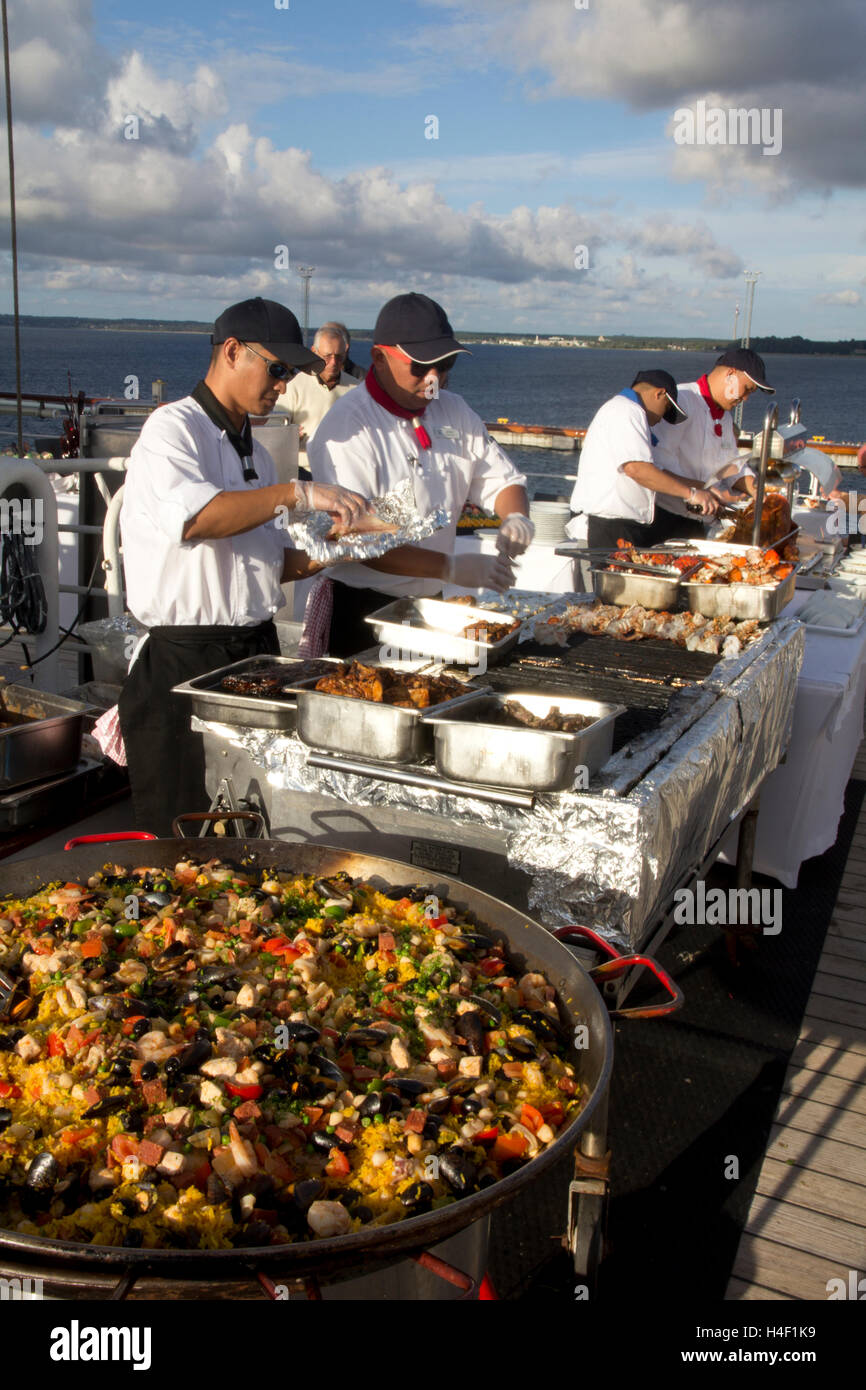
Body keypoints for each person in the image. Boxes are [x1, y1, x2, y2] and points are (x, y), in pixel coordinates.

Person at [119, 297, 369, 835]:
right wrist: (300, 492)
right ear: (232, 351)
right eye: (277, 369)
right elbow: (199, 520)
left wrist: (344, 546)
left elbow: (260, 561)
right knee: (181, 846)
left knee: (257, 830)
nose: (284, 386)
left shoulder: (248, 445)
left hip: (253, 660)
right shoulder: (172, 430)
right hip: (185, 665)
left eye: (291, 373)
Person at [307, 292, 532, 656]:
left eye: (444, 366)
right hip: (363, 609)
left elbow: (502, 479)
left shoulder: (454, 410)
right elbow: (360, 539)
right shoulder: (348, 427)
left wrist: (516, 516)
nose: (433, 379)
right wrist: (450, 565)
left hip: (432, 604)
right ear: (378, 357)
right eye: (420, 366)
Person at [569, 369, 719, 551]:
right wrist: (691, 495)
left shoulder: (629, 412)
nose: (662, 419)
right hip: (609, 524)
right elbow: (637, 469)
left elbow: (656, 471)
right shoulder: (626, 411)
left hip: (624, 524)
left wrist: (703, 489)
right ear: (659, 393)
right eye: (666, 409)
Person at [652, 348, 774, 534]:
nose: (746, 398)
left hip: (699, 519)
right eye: (747, 389)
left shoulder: (724, 417)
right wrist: (703, 490)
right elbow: (657, 466)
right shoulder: (682, 401)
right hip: (664, 517)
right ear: (730, 374)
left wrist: (759, 492)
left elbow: (732, 466)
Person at [272, 324, 358, 445]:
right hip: (303, 463)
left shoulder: (357, 389)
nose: (333, 362)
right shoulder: (293, 388)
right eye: (327, 356)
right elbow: (275, 428)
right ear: (314, 352)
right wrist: (290, 435)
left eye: (339, 357)